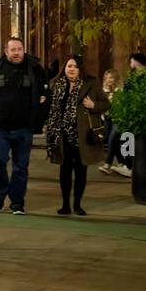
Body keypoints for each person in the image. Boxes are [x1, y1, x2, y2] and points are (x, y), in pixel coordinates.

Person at [0, 36, 45, 215]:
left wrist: (39, 114)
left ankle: (17, 203)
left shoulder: (34, 69)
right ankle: (0, 194)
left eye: (20, 49)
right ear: (6, 51)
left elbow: (44, 92)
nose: (17, 53)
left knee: (20, 167)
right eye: (13, 50)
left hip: (24, 128)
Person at [46, 55, 110, 216]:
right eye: (69, 66)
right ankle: (65, 204)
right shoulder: (56, 85)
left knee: (81, 171)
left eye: (75, 66)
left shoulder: (91, 84)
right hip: (62, 136)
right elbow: (50, 107)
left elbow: (106, 103)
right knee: (64, 170)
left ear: (80, 69)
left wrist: (93, 105)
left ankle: (78, 205)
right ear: (64, 69)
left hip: (83, 136)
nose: (72, 69)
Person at [98, 68, 132, 178]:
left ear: (116, 79)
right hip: (107, 119)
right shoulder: (103, 90)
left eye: (111, 78)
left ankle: (107, 164)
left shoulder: (120, 91)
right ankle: (122, 163)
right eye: (107, 78)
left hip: (118, 118)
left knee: (113, 137)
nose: (109, 80)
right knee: (112, 140)